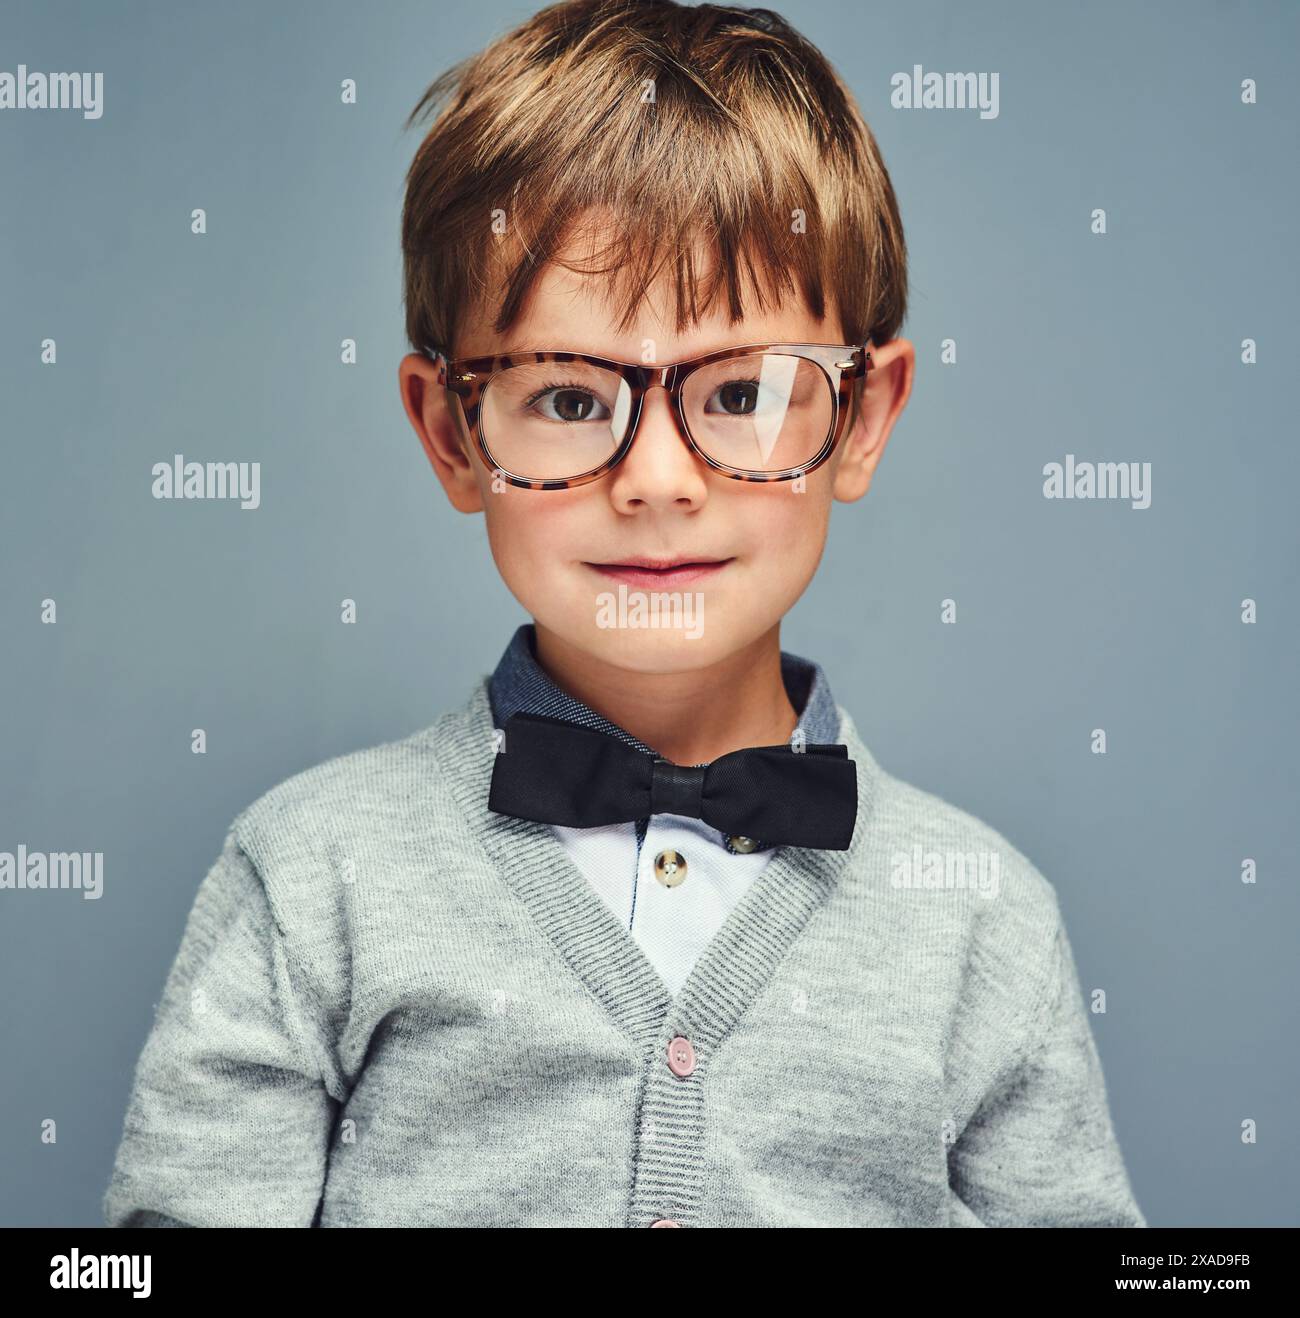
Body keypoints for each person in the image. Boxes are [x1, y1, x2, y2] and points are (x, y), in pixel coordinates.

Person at [103, 0, 1145, 1227]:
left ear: (861, 419)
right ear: (450, 433)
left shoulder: (983, 914)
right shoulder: (312, 872)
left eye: (744, 389)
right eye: (568, 398)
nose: (656, 477)